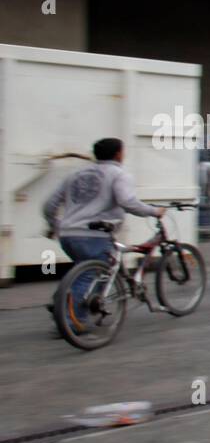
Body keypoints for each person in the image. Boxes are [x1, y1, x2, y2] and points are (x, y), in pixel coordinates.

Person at [43, 139, 166, 329]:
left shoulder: (74, 174)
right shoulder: (118, 174)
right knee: (93, 273)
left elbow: (49, 205)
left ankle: (60, 303)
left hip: (68, 235)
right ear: (118, 154)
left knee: (84, 269)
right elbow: (127, 202)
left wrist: (56, 225)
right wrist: (153, 211)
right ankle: (71, 323)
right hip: (94, 234)